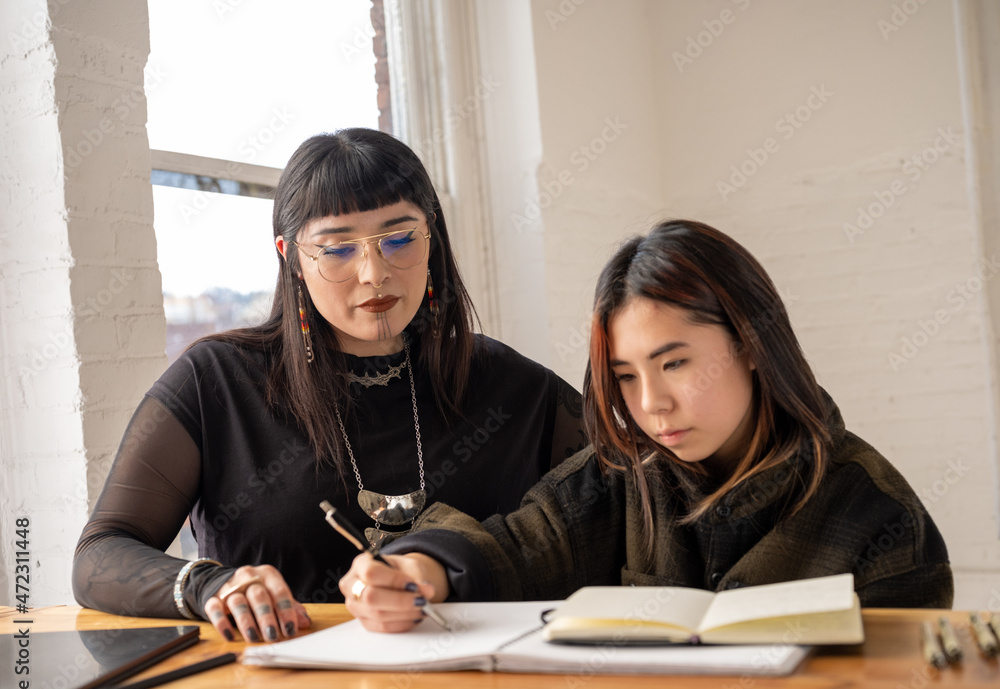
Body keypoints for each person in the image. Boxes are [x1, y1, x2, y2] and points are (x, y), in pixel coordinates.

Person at [72, 128, 586, 644]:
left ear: (432, 235)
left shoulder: (511, 385)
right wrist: (211, 584)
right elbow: (99, 554)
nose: (374, 273)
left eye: (399, 239)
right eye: (337, 249)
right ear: (291, 256)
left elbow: (629, 493)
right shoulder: (218, 382)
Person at [341, 219, 953, 632]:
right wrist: (420, 568)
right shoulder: (620, 476)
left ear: (750, 344)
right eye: (626, 376)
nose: (651, 403)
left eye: (675, 363)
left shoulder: (879, 517)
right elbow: (520, 545)